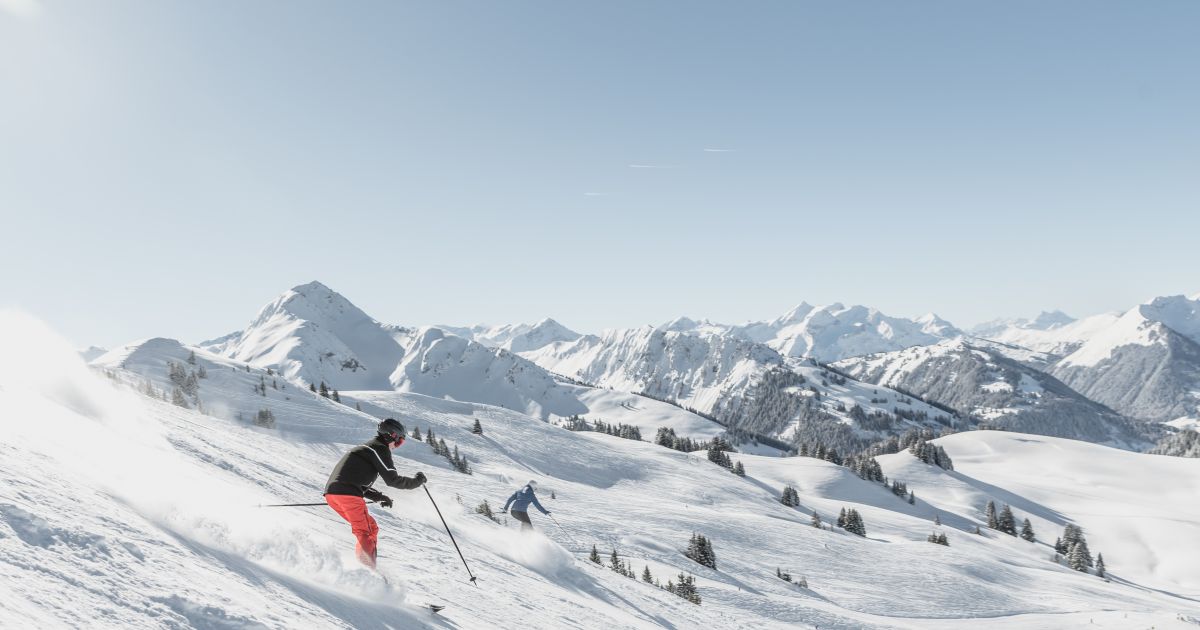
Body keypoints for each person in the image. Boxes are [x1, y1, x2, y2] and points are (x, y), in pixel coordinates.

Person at [325, 418, 426, 568]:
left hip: (333, 494)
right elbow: (393, 480)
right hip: (347, 494)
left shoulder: (367, 447)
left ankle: (365, 565)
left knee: (370, 527)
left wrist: (379, 496)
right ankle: (367, 570)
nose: (396, 446)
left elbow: (354, 479)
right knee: (366, 531)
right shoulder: (379, 448)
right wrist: (417, 481)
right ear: (391, 435)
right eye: (399, 442)